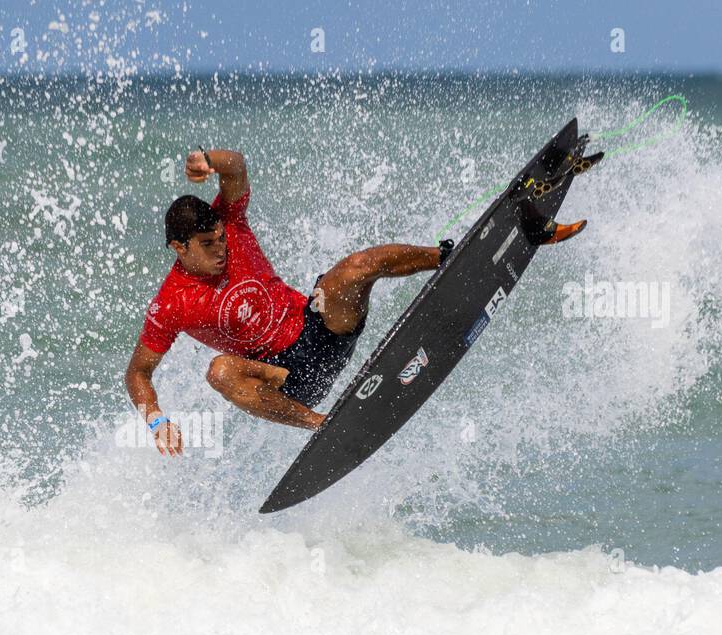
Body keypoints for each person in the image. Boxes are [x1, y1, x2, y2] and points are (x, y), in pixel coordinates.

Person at [124, 147, 585, 456]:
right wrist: (155, 421)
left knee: (357, 266)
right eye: (208, 244)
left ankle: (454, 257)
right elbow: (138, 373)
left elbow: (237, 166)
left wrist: (207, 159)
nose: (222, 248)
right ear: (179, 248)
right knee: (220, 371)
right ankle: (322, 425)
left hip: (318, 327)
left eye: (221, 238)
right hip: (286, 377)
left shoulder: (232, 221)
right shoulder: (171, 304)